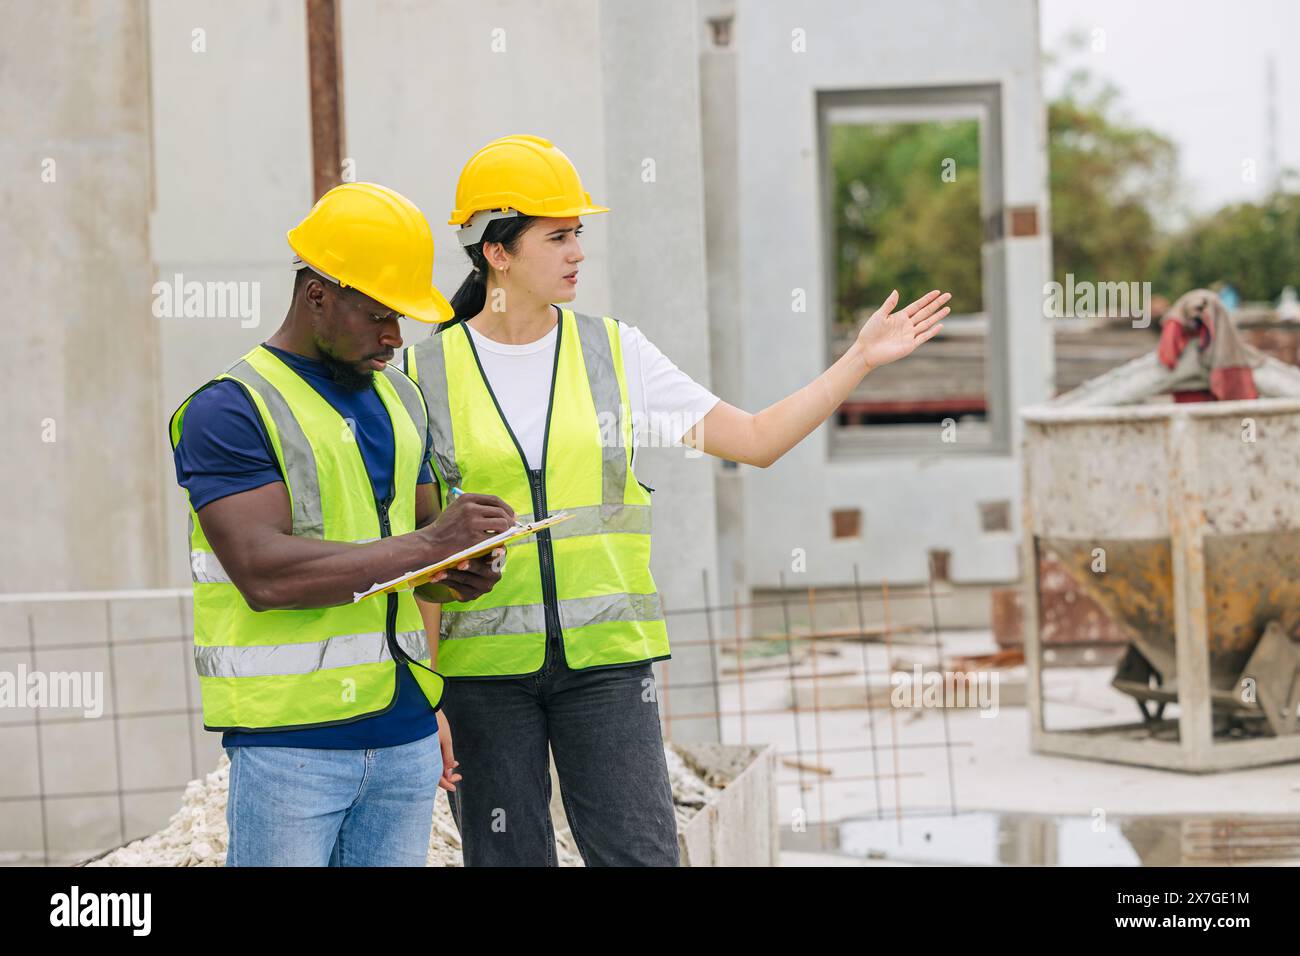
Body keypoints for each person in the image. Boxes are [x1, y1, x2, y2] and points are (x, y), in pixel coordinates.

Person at [403, 135, 950, 866]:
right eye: (557, 236)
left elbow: (755, 439)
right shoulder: (423, 372)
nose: (577, 253)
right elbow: (423, 554)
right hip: (481, 680)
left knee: (640, 856)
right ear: (496, 251)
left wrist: (857, 360)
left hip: (607, 671)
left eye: (579, 235)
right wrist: (427, 691)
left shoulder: (615, 352)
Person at [169, 182, 515, 866]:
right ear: (317, 295)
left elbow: (419, 561)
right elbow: (264, 574)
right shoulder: (230, 410)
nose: (394, 337)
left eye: (403, 319)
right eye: (379, 315)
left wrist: (463, 571)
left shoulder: (401, 397)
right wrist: (432, 542)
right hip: (292, 748)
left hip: (407, 735)